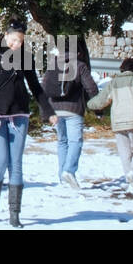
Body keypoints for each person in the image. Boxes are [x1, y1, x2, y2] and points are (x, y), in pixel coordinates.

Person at [0, 19, 55, 227]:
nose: (16, 45)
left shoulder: (26, 58)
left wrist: (48, 111)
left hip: (19, 115)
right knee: (1, 160)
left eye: (20, 42)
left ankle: (14, 213)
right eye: (13, 41)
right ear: (5, 36)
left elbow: (35, 86)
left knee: (16, 164)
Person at [87, 57, 133, 194]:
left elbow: (101, 101)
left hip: (118, 122)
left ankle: (129, 178)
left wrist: (89, 105)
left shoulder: (114, 83)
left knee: (124, 152)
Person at [42, 40, 99, 189]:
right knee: (75, 142)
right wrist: (97, 108)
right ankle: (69, 171)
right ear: (78, 53)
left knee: (62, 141)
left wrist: (45, 111)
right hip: (74, 109)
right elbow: (91, 88)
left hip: (55, 110)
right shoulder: (80, 66)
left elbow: (44, 87)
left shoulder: (52, 65)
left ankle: (62, 176)